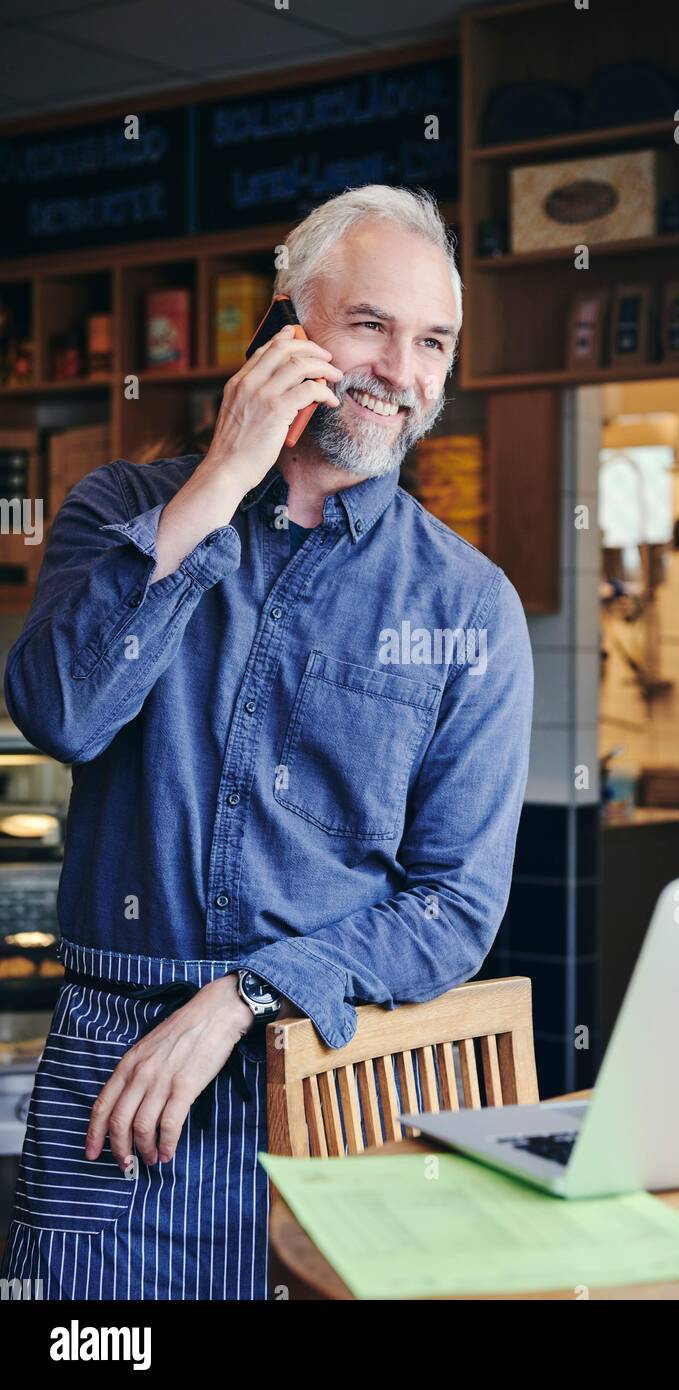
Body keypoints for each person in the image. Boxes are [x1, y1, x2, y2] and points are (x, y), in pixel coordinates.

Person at [0, 185, 533, 1300]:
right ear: (285, 325)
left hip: (332, 1088)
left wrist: (242, 996)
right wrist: (226, 475)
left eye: (432, 341)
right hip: (116, 1086)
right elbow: (62, 712)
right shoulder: (119, 511)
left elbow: (455, 906)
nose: (403, 370)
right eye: (371, 326)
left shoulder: (467, 604)